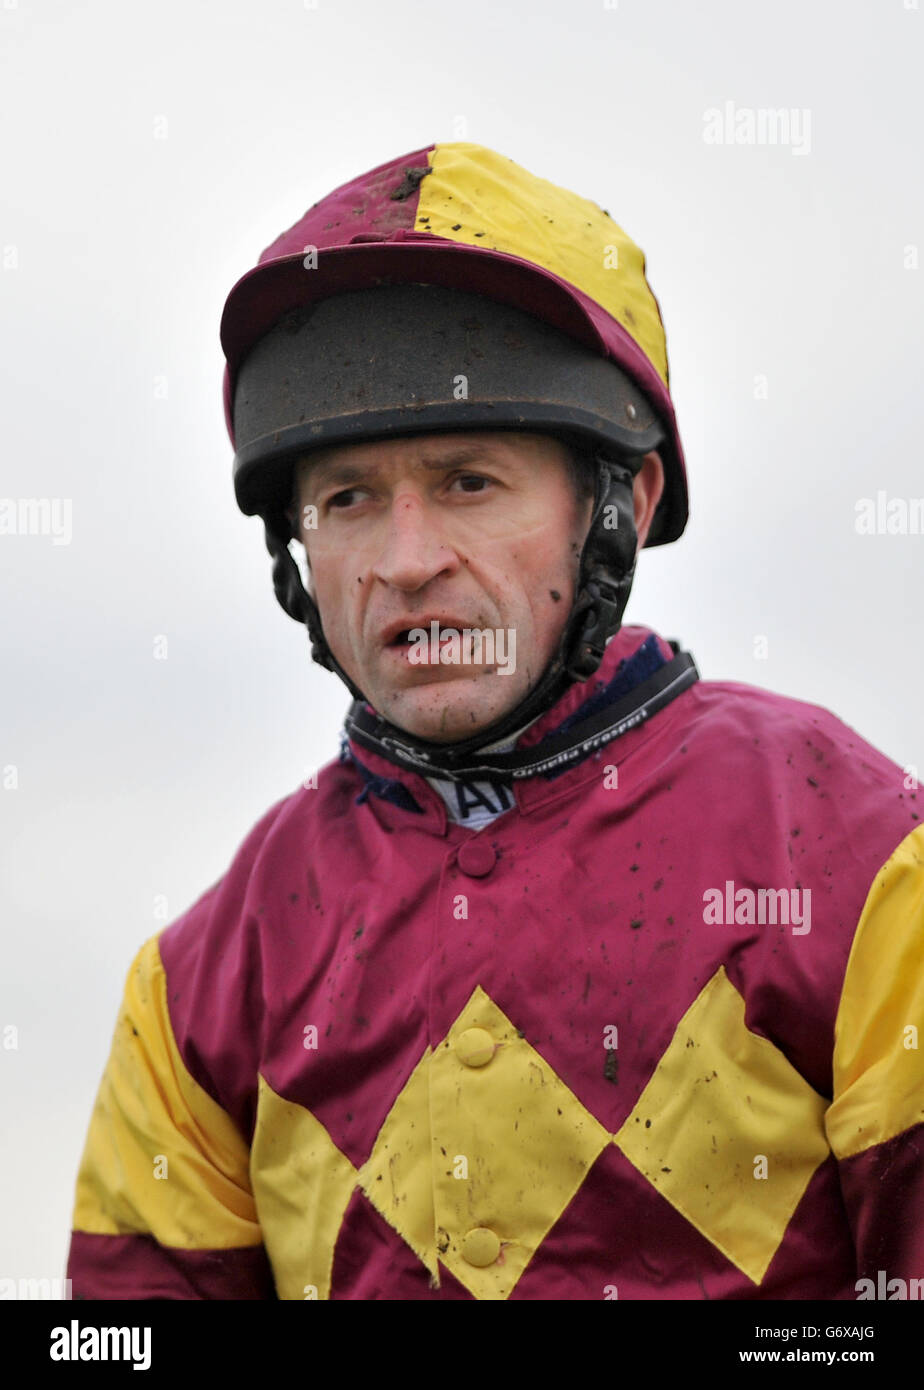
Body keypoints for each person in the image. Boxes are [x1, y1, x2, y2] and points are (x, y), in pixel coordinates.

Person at [66, 142, 923, 1301]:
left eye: (470, 480)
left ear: (624, 504)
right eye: (350, 501)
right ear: (296, 556)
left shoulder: (862, 861)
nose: (409, 563)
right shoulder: (198, 981)